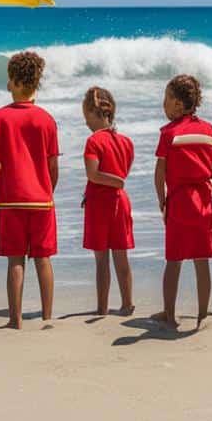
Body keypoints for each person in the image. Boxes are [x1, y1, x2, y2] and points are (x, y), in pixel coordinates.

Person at [0, 51, 60, 328]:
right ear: (36, 83)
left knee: (15, 260)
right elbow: (52, 166)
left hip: (10, 200)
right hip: (41, 199)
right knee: (43, 259)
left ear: (12, 82)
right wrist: (46, 190)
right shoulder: (47, 120)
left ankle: (15, 319)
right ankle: (47, 315)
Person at [154, 74, 212, 331]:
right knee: (201, 262)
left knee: (174, 261)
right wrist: (205, 195)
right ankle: (203, 315)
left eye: (166, 99)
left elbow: (159, 175)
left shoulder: (168, 133)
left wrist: (163, 202)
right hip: (204, 204)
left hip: (180, 203)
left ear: (178, 105)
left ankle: (170, 315)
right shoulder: (209, 131)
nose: (163, 104)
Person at [81, 86, 135, 316]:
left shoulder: (93, 142)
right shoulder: (126, 142)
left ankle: (102, 308)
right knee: (121, 258)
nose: (85, 122)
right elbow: (124, 171)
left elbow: (93, 175)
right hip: (120, 203)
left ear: (94, 113)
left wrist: (116, 181)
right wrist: (119, 182)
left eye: (86, 116)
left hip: (99, 204)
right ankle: (126, 304)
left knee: (102, 260)